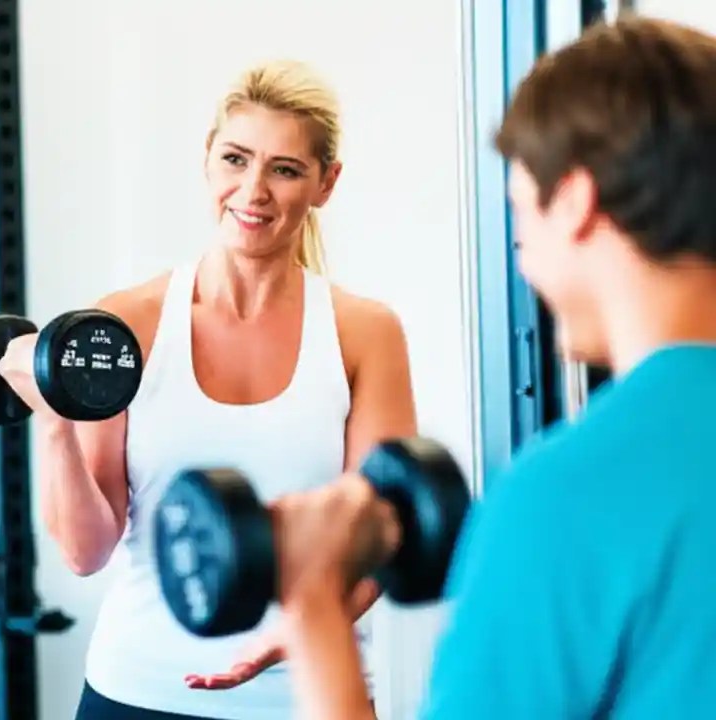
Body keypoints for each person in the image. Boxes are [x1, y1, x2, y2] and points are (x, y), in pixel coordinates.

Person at [268, 15, 716, 719]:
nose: (520, 249)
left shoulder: (564, 494)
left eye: (519, 208)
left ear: (573, 202)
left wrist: (314, 603)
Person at [0, 60, 417, 719]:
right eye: (235, 159)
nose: (253, 191)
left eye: (285, 169)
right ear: (207, 161)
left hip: (304, 694)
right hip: (138, 691)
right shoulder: (126, 324)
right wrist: (52, 417)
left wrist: (305, 627)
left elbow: (385, 528)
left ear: (325, 183)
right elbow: (85, 551)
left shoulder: (365, 333)